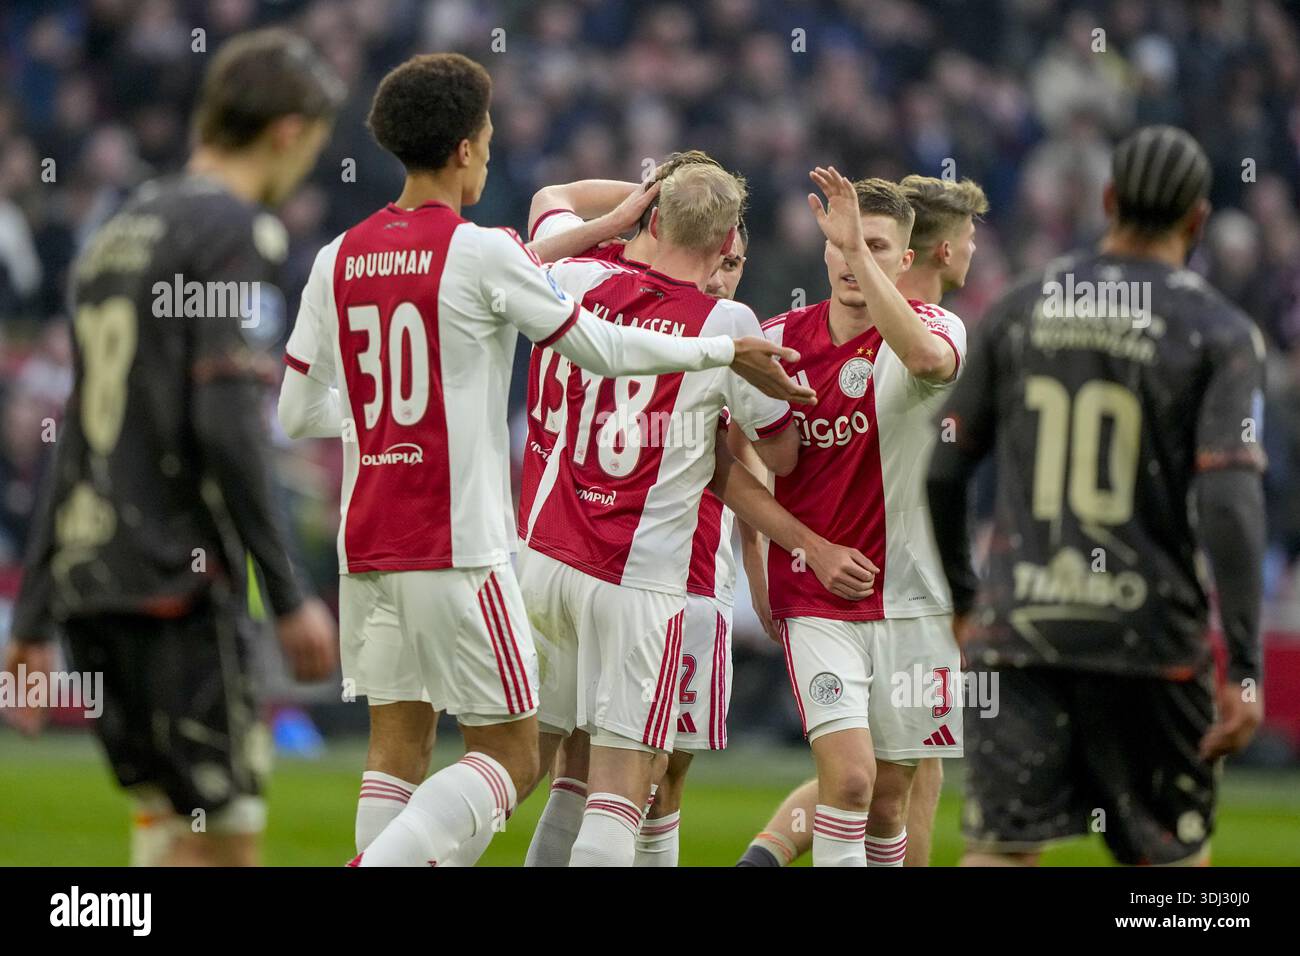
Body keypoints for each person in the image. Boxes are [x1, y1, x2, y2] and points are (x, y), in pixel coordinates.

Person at [275, 53, 812, 868]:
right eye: (486, 136)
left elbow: (298, 410)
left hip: (374, 542)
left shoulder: (339, 255)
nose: (491, 151)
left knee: (395, 751)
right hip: (471, 545)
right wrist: (721, 353)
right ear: (464, 149)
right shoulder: (484, 253)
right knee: (520, 757)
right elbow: (601, 350)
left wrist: (396, 414)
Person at [2, 29, 344, 866]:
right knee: (224, 843)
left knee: (170, 829)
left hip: (96, 585)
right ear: (290, 133)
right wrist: (289, 590)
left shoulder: (119, 231)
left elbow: (80, 433)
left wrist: (35, 613)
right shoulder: (234, 231)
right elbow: (226, 423)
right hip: (175, 585)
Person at [514, 162, 873, 866]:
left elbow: (549, 199)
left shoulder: (577, 276)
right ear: (717, 245)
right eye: (727, 257)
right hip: (652, 578)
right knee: (631, 785)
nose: (727, 275)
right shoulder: (729, 327)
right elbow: (783, 453)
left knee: (527, 767)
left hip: (544, 557)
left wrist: (650, 204)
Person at [926, 125, 1266, 866]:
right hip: (1150, 643)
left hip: (1021, 627)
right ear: (1198, 220)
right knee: (1169, 873)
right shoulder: (1220, 333)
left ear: (1108, 200)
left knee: (999, 853)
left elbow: (944, 468)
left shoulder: (1018, 308)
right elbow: (1232, 503)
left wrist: (963, 601)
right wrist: (1243, 664)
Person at [738, 174, 989, 868]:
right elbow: (728, 466)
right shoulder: (777, 339)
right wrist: (789, 550)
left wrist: (861, 248)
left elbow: (928, 362)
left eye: (875, 247)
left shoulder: (938, 330)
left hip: (918, 602)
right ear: (823, 251)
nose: (853, 259)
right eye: (842, 246)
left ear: (906, 262)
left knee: (893, 794)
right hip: (820, 597)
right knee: (849, 778)